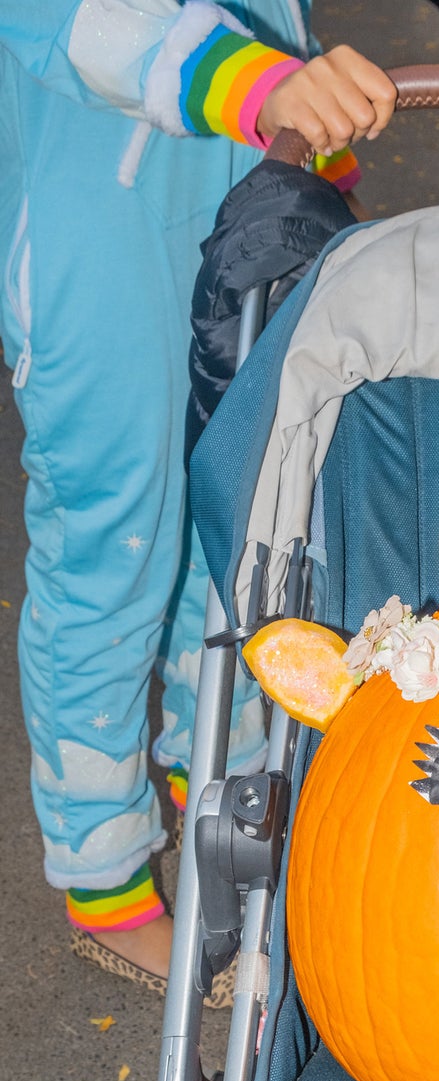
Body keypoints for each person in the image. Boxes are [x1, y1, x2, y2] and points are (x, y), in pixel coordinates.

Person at [0, 3, 396, 998]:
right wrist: (266, 87)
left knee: (229, 492)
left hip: (229, 191)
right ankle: (103, 874)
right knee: (117, 543)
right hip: (93, 233)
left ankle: (210, 764)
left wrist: (304, 137)